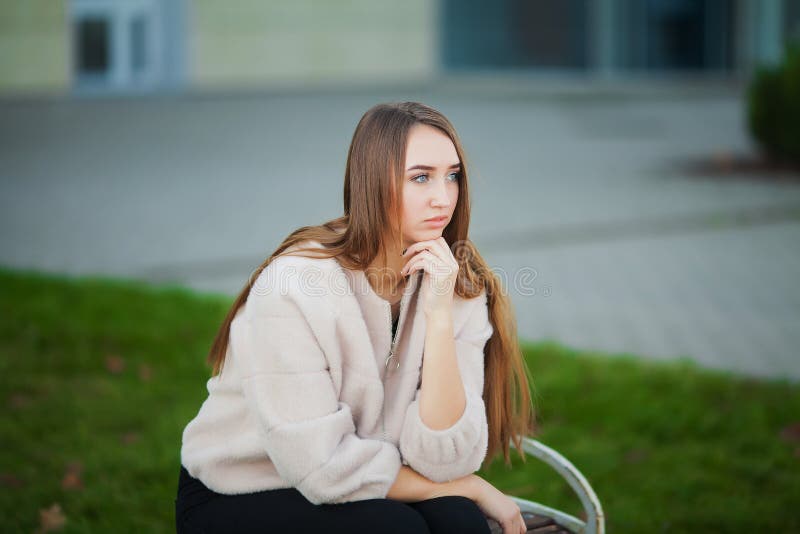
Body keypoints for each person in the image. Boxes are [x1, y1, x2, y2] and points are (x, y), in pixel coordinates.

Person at [175, 101, 536, 534]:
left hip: (364, 476)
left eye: (452, 175)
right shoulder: (294, 286)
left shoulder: (452, 282)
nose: (444, 197)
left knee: (459, 522)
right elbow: (321, 466)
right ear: (373, 183)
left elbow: (446, 460)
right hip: (241, 490)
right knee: (396, 529)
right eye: (420, 177)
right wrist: (474, 488)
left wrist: (439, 315)